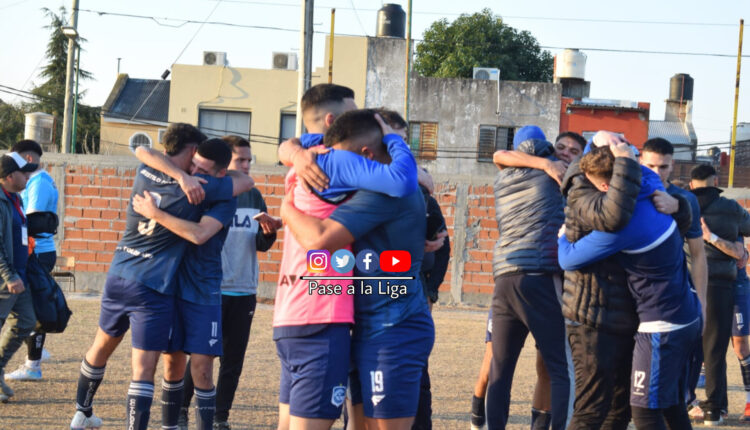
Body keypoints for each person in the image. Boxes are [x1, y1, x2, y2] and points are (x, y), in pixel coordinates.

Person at [69, 123, 251, 430]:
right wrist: (184, 178)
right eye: (194, 165)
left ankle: (83, 411)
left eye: (202, 169)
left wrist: (158, 210)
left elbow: (143, 150)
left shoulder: (147, 171)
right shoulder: (200, 187)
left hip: (133, 275)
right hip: (158, 285)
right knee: (153, 364)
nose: (196, 172)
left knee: (187, 364)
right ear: (192, 152)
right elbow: (245, 182)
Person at [281, 117, 432, 430]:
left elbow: (319, 239)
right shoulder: (369, 186)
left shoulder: (386, 194)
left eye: (338, 159)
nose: (329, 165)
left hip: (392, 329)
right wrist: (295, 152)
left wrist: (286, 209)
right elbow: (290, 145)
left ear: (367, 155)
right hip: (366, 326)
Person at [558, 144, 701, 429]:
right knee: (671, 406)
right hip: (684, 315)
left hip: (662, 325)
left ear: (610, 185)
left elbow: (568, 258)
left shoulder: (624, 224)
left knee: (645, 412)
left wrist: (563, 236)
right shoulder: (653, 190)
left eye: (595, 184)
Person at [174, 135, 279, 430]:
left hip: (244, 290)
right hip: (209, 290)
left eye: (249, 159)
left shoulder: (254, 195)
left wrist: (269, 233)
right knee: (199, 354)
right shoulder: (204, 193)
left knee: (233, 361)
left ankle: (221, 417)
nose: (247, 165)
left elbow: (259, 243)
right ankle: (181, 411)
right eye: (240, 160)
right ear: (223, 167)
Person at [486, 125, 572, 430]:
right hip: (539, 274)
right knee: (560, 367)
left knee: (501, 369)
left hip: (504, 276)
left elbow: (499, 155)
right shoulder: (556, 173)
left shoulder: (500, 179)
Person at [688, 164, 750, 425]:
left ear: (691, 184)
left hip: (686, 282)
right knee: (716, 349)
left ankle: (683, 401)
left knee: (687, 348)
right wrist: (736, 247)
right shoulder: (731, 207)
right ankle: (714, 408)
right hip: (720, 284)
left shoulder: (680, 203)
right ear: (715, 180)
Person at [4, 140, 57, 382]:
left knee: (30, 316)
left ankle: (23, 366)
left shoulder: (26, 191)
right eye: (22, 171)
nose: (27, 174)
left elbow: (27, 225)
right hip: (15, 267)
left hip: (29, 262)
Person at [0, 152, 37, 403]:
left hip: (19, 277)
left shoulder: (16, 199)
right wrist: (9, 275)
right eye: (25, 173)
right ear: (10, 176)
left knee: (26, 321)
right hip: (6, 279)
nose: (28, 177)